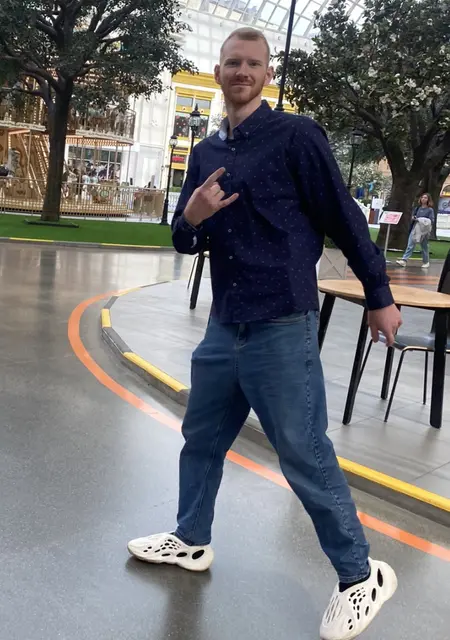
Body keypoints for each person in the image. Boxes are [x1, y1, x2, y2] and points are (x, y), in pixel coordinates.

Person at [128, 28, 402, 640]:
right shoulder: (206, 152)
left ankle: (360, 576)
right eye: (233, 62)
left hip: (282, 323)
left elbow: (344, 218)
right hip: (225, 324)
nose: (242, 71)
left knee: (303, 452)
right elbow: (183, 237)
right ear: (218, 71)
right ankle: (191, 538)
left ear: (267, 74)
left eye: (253, 63)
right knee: (201, 439)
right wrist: (192, 217)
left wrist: (379, 296)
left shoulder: (296, 136)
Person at [396, 194, 435, 268]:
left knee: (424, 246)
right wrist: (413, 218)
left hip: (424, 231)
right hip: (415, 229)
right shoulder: (417, 208)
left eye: (425, 198)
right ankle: (404, 260)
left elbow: (431, 220)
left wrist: (420, 220)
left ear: (428, 200)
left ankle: (426, 261)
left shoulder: (430, 210)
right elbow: (413, 217)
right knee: (410, 245)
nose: (423, 199)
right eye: (422, 197)